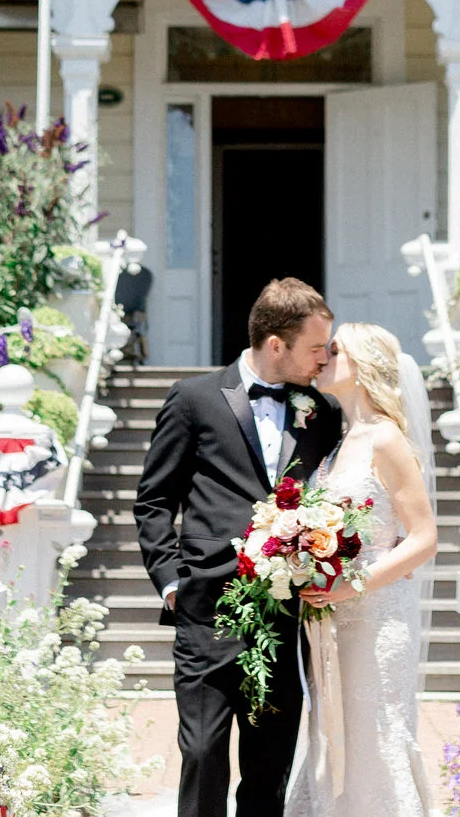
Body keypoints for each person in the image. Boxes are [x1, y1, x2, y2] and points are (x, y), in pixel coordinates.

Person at [135, 278, 344, 817]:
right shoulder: (193, 398)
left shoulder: (323, 415)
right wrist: (171, 581)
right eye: (316, 347)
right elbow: (155, 499)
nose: (326, 357)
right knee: (203, 753)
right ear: (277, 344)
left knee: (269, 764)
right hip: (206, 608)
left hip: (283, 613)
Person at [284, 321, 439, 817]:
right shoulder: (339, 443)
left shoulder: (387, 439)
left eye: (335, 350)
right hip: (331, 619)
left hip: (376, 618)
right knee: (334, 735)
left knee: (375, 737)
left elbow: (424, 538)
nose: (323, 357)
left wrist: (349, 585)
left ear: (365, 365)